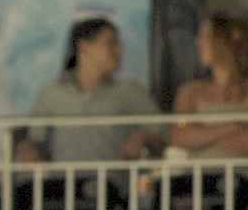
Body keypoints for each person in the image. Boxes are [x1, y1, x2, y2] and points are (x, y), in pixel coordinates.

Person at [14, 17, 159, 164]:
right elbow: (34, 139)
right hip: (63, 184)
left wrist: (142, 137)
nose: (120, 51)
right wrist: (27, 148)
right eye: (111, 43)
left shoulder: (131, 91)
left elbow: (164, 133)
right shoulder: (51, 93)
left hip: (113, 184)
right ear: (84, 47)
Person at [170, 14, 248, 158]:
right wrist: (233, 127)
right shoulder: (191, 90)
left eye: (206, 35)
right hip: (197, 177)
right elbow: (179, 137)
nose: (198, 41)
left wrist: (199, 137)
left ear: (226, 41)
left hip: (241, 177)